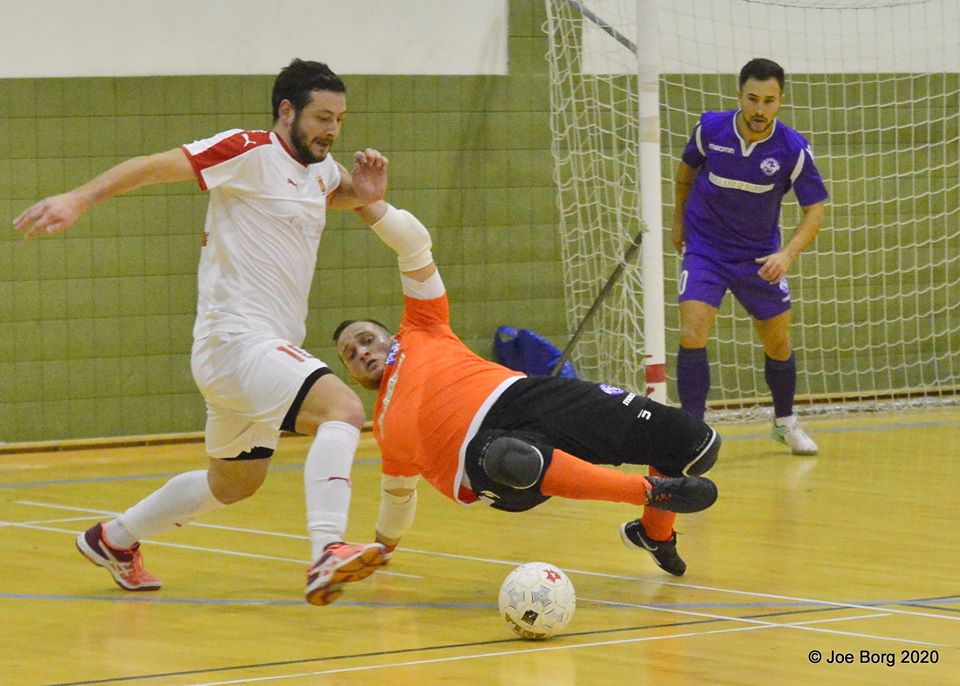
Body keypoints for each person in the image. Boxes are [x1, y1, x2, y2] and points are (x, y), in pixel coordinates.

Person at [13, 59, 391, 606]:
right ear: (287, 111)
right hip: (237, 341)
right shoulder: (248, 149)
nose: (332, 130)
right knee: (345, 411)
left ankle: (114, 539)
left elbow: (329, 193)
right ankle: (326, 549)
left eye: (340, 119)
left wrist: (364, 192)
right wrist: (78, 199)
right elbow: (151, 166)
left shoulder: (322, 170)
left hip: (250, 355)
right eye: (323, 117)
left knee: (235, 483)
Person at [333, 202, 722, 577]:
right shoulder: (384, 428)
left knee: (694, 443)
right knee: (511, 457)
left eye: (367, 339)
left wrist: (367, 203)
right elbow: (398, 498)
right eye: (351, 355)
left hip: (526, 398)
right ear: (352, 375)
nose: (362, 352)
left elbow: (414, 245)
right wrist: (383, 547)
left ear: (389, 334)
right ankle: (649, 491)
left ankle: (654, 533)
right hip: (489, 467)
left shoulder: (422, 324)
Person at [671, 58, 828, 455]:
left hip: (758, 257)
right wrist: (678, 222)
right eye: (752, 99)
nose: (760, 110)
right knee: (693, 331)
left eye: (769, 101)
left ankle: (785, 421)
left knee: (777, 342)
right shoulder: (710, 128)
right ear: (740, 95)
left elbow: (816, 209)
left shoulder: (792, 149)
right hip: (705, 247)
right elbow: (686, 173)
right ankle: (693, 433)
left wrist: (787, 254)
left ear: (781, 101)